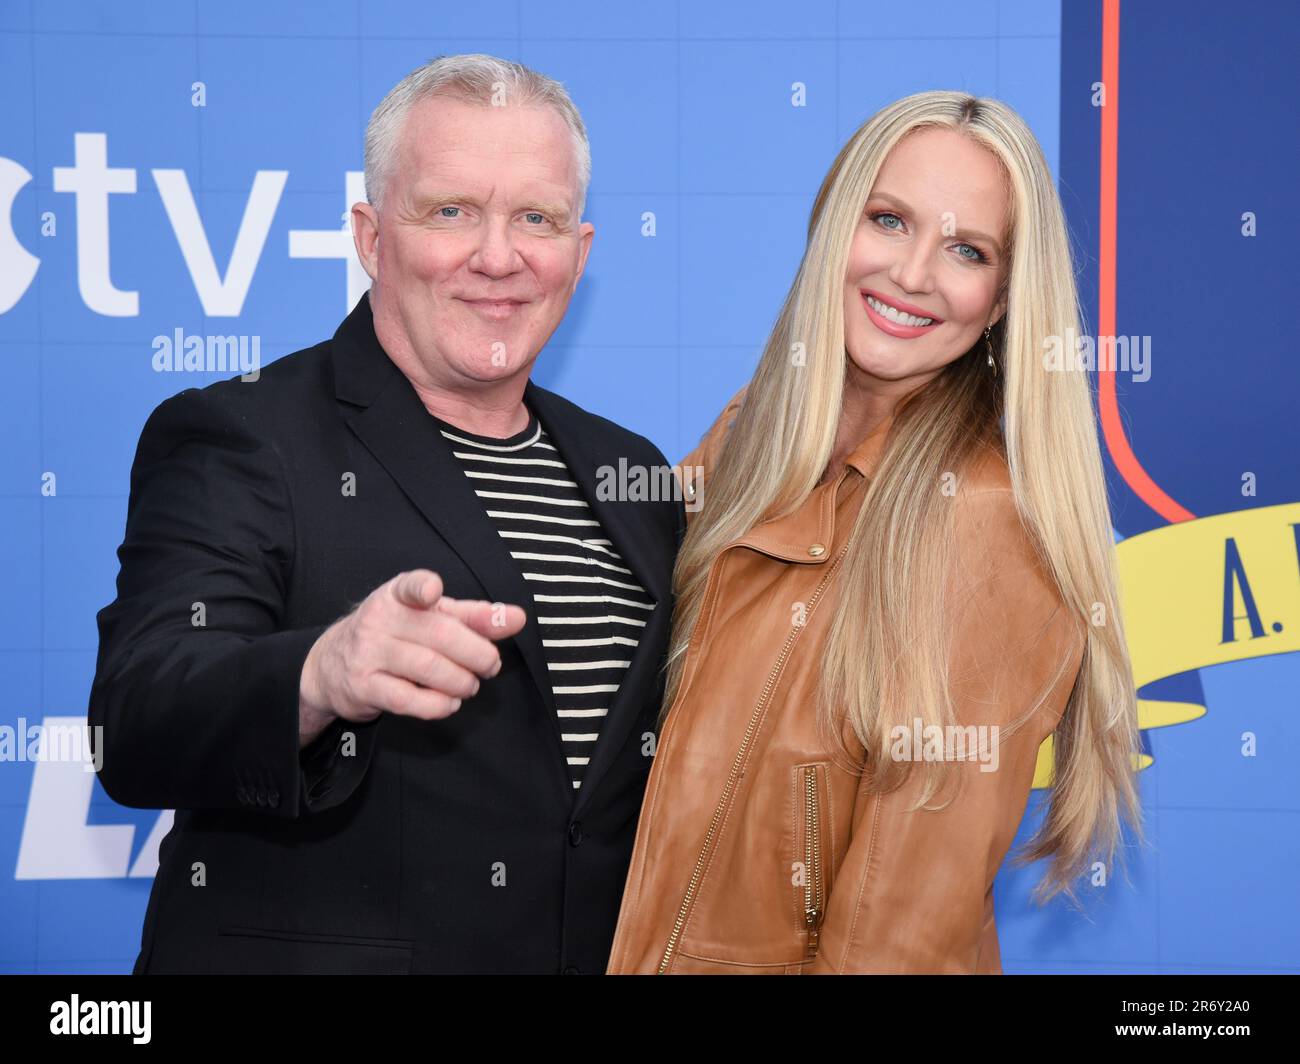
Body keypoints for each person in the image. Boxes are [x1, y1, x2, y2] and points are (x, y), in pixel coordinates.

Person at [89, 54, 682, 974]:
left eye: (538, 217)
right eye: (451, 211)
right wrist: (320, 674)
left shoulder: (631, 473)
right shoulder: (243, 434)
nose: (499, 254)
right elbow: (137, 721)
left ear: (582, 250)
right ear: (370, 237)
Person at [606, 91, 1145, 974]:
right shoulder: (749, 437)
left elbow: (897, 948)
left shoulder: (987, 525)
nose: (914, 274)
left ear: (1003, 298)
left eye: (966, 249)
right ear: (832, 224)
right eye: (889, 220)